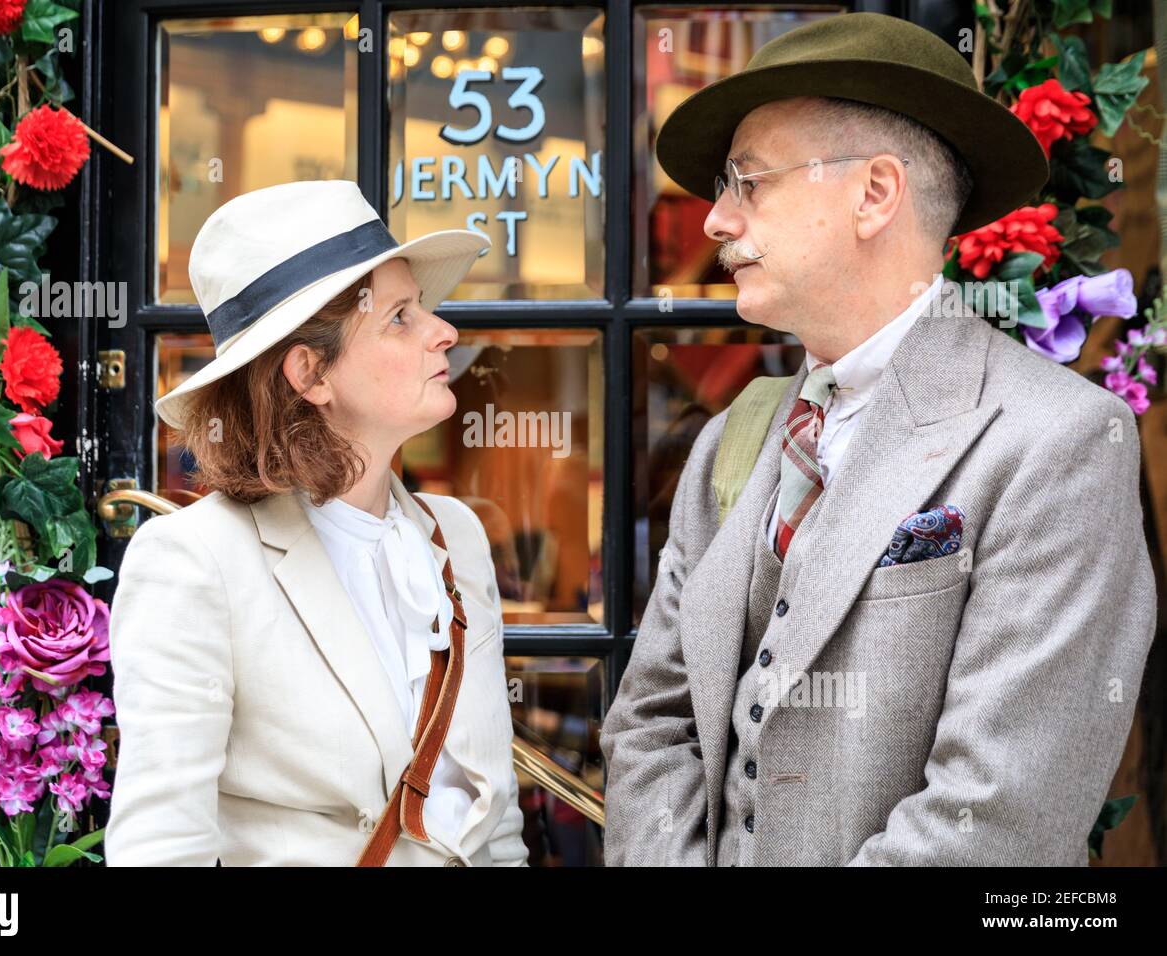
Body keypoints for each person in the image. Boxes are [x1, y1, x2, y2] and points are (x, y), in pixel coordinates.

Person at [601, 12, 1156, 865]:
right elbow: (650, 724)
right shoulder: (733, 438)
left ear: (874, 193)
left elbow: (998, 813)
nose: (713, 221)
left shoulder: (1060, 441)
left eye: (748, 181)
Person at [104, 180, 528, 866]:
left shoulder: (457, 536)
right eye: (399, 317)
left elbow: (494, 818)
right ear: (311, 374)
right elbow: (162, 848)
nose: (443, 331)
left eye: (422, 308)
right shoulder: (194, 560)